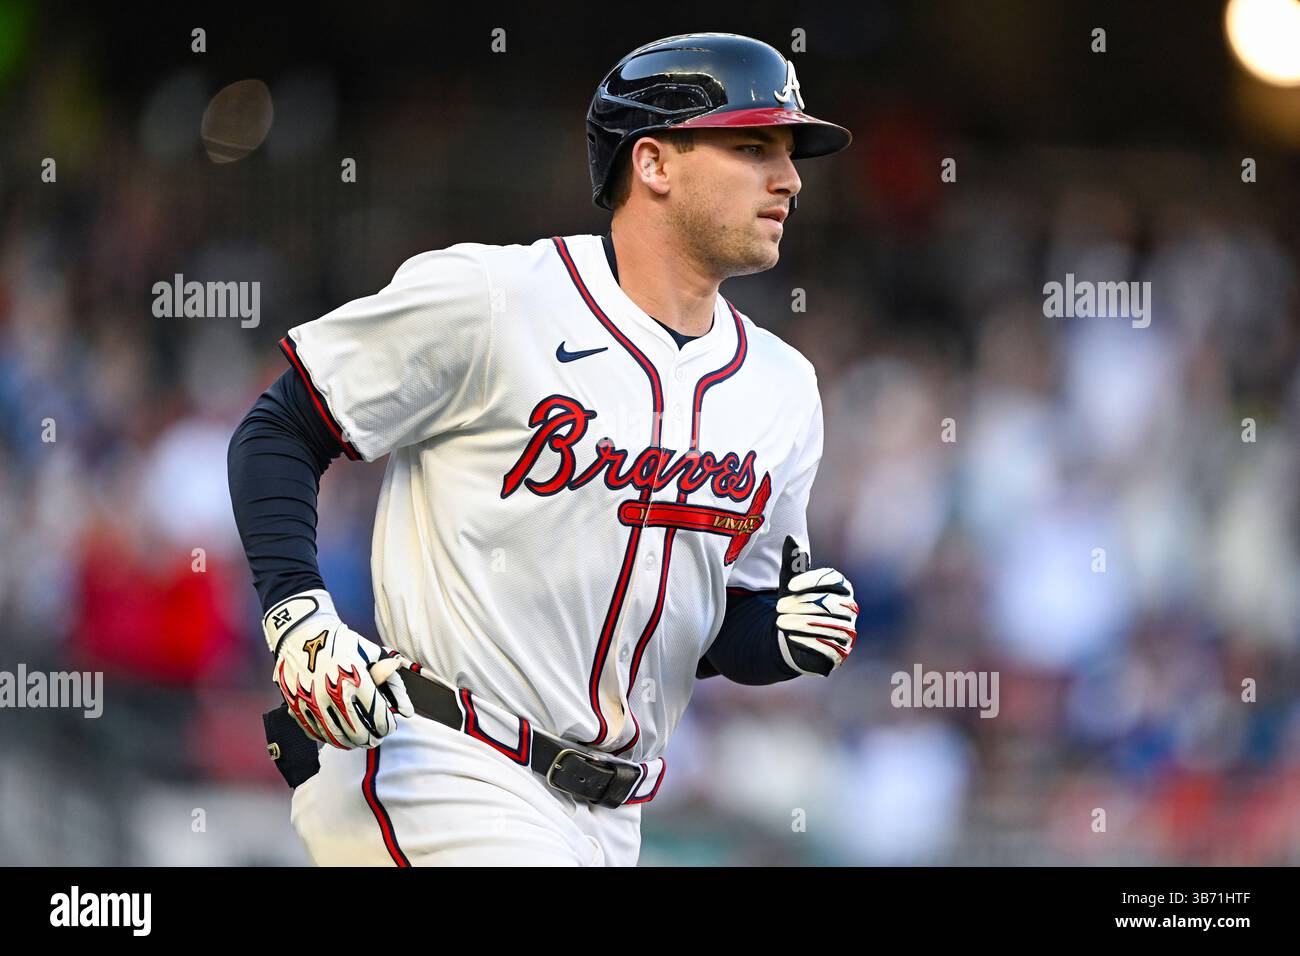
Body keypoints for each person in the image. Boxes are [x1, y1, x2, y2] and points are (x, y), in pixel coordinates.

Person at [227, 31, 859, 866]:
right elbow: (280, 428)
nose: (789, 177)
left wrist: (775, 636)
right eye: (753, 147)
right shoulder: (497, 297)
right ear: (654, 164)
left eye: (790, 152)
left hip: (610, 812)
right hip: (442, 758)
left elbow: (703, 628)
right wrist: (297, 615)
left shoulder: (783, 388)